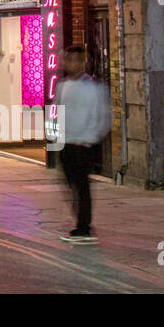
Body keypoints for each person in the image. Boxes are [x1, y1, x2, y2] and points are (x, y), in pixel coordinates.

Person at [55, 44, 111, 244]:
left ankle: (84, 228)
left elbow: (103, 116)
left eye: (77, 60)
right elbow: (59, 110)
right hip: (66, 143)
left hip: (83, 144)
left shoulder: (94, 88)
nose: (72, 63)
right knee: (71, 185)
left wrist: (91, 139)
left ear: (83, 62)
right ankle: (81, 224)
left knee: (82, 187)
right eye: (68, 59)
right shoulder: (62, 85)